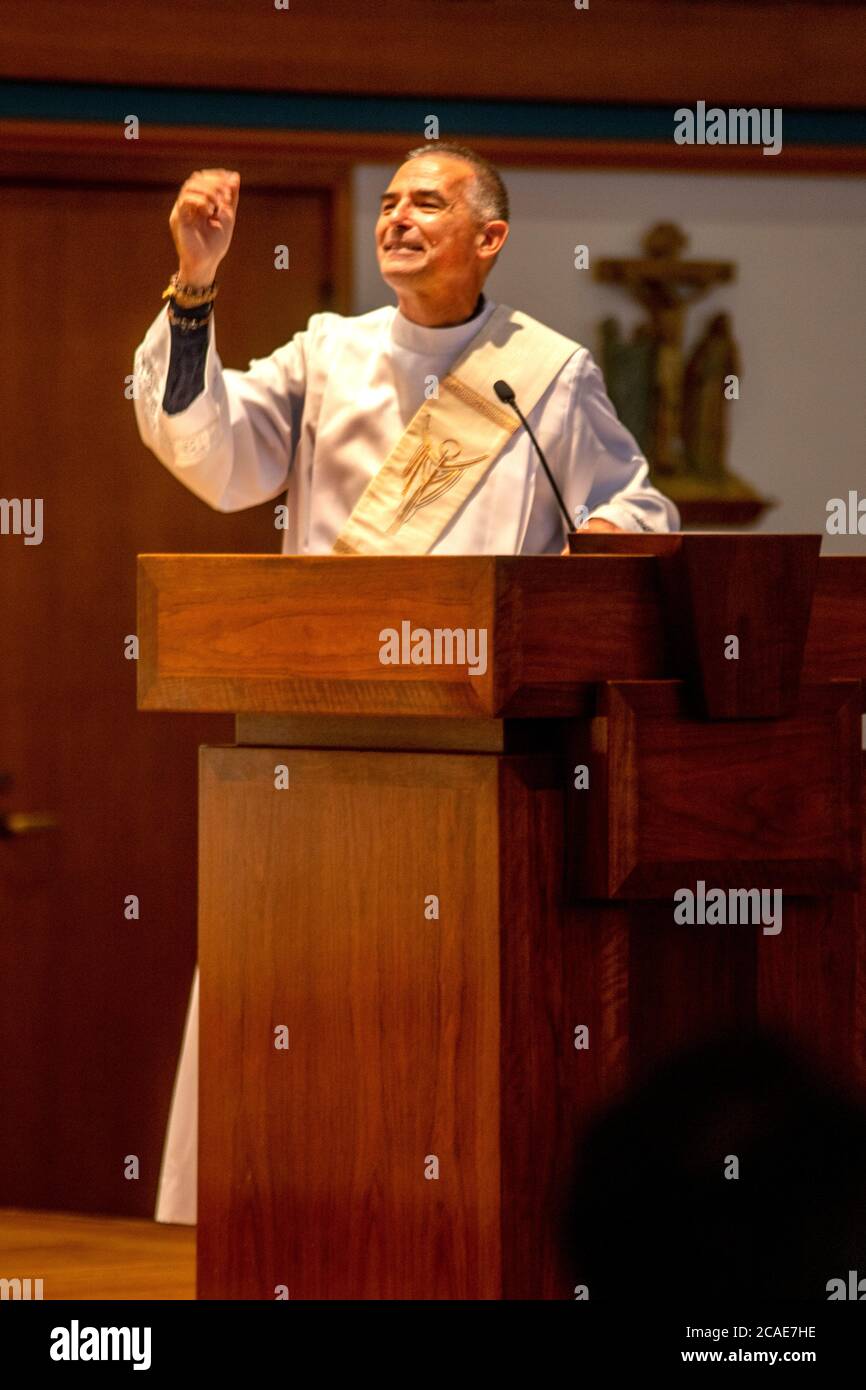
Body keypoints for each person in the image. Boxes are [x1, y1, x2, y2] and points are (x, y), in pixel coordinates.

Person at [133, 142, 679, 1225]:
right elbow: (215, 454)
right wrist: (194, 288)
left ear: (490, 238)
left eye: (426, 202)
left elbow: (635, 510)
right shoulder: (328, 353)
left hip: (469, 759)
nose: (396, 217)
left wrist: (603, 537)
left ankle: (440, 1224)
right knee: (288, 989)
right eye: (386, 202)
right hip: (311, 738)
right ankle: (269, 1215)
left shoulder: (541, 372)